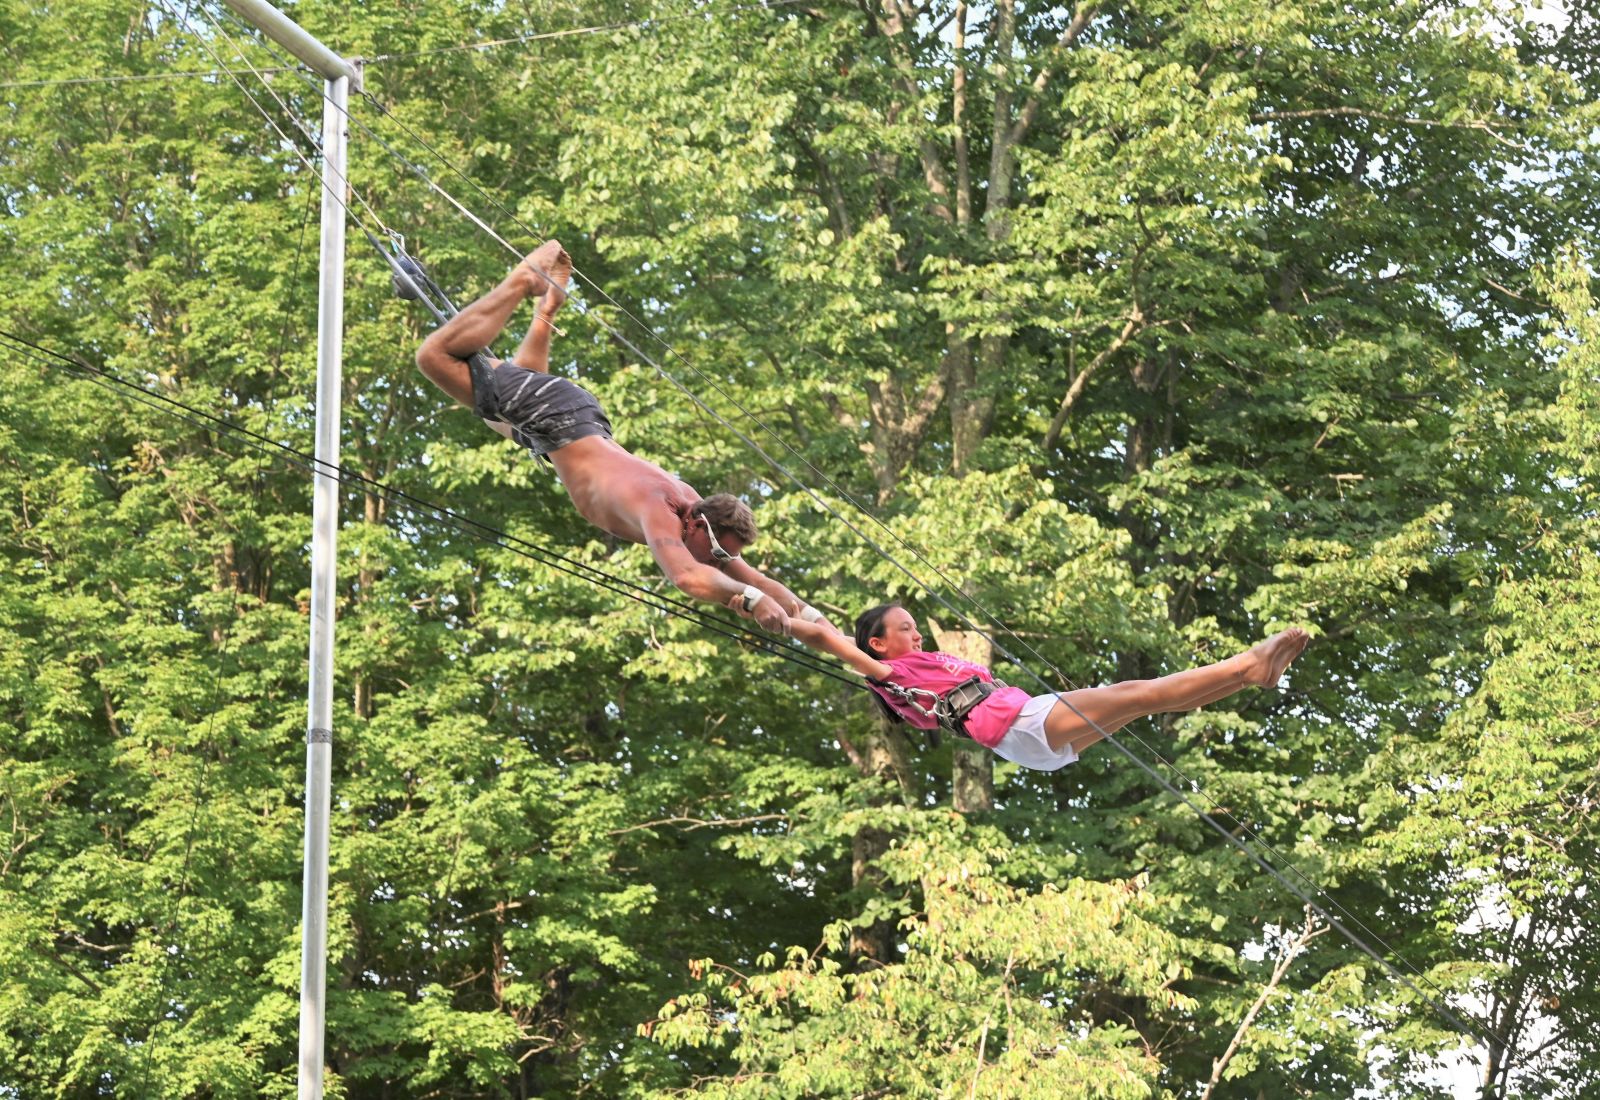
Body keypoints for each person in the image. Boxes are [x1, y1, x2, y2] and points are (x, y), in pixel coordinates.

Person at [416, 241, 827, 635]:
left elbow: (758, 580)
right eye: (718, 551)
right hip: (563, 419)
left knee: (505, 413)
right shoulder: (659, 507)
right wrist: (751, 599)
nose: (718, 561)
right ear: (699, 524)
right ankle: (525, 279)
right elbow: (687, 578)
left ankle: (548, 307)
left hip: (573, 422)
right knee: (434, 357)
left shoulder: (692, 510)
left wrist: (828, 628)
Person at [782, 603, 1309, 771]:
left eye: (915, 625)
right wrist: (758, 605)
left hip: (1023, 738)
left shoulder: (915, 663)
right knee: (1138, 691)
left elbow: (816, 618)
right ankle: (1248, 663)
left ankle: (1247, 677)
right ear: (876, 645)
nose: (916, 632)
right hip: (1018, 722)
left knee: (1144, 704)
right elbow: (824, 636)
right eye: (904, 628)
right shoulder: (891, 675)